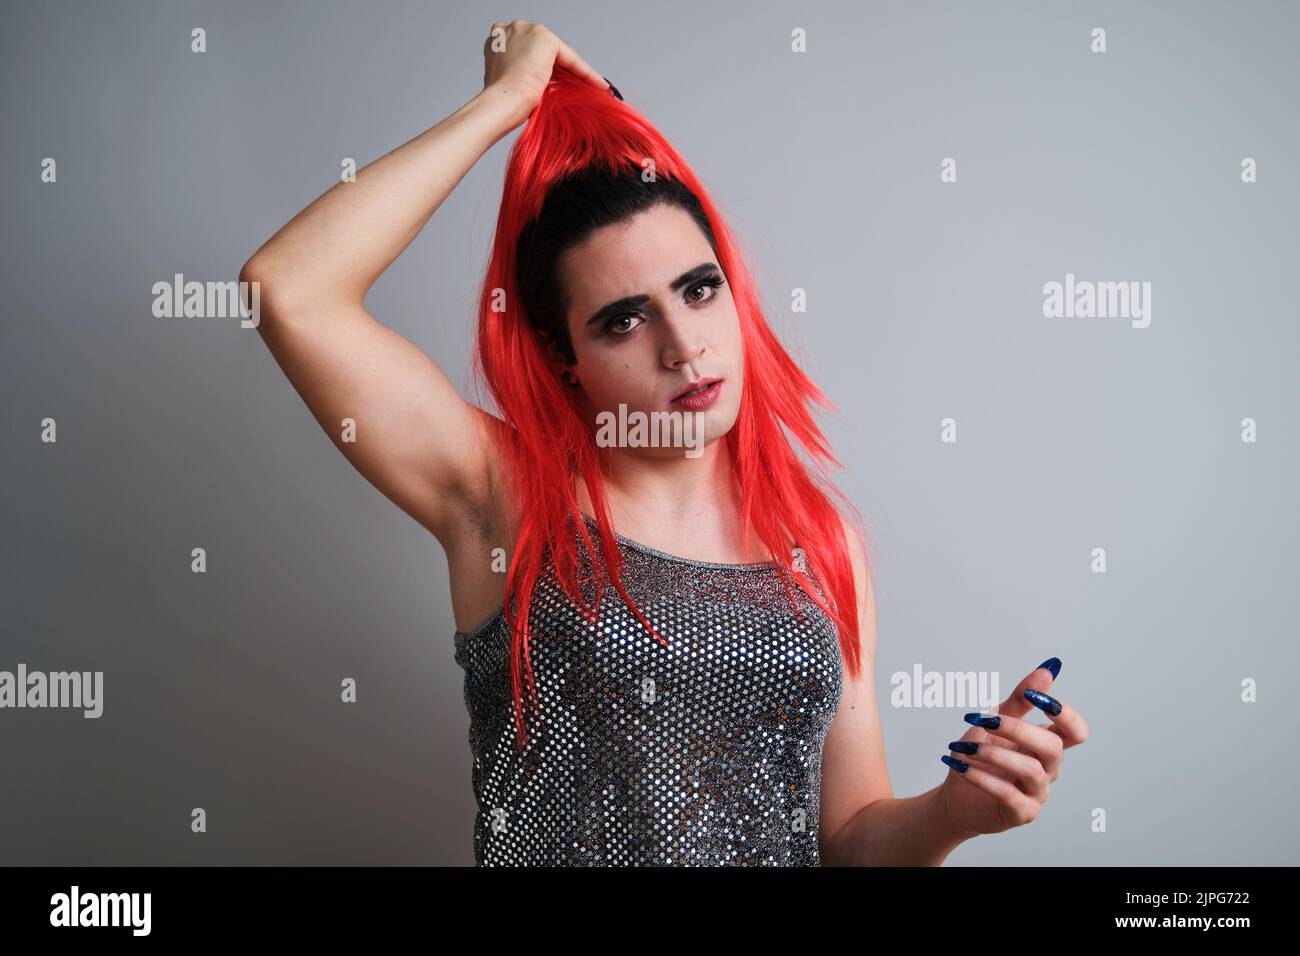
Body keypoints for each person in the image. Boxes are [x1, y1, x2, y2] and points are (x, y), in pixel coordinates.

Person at [239, 19, 1088, 866]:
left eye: (698, 288)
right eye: (623, 320)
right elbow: (289, 289)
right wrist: (504, 105)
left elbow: (848, 840)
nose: (683, 347)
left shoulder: (821, 544)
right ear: (565, 361)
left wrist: (953, 812)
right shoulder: (502, 495)